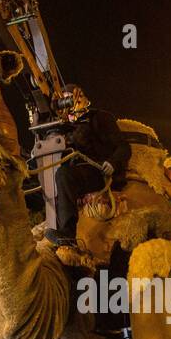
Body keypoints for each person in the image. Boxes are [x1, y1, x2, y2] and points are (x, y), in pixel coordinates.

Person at [44, 86, 131, 248]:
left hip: (99, 172)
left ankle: (68, 233)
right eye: (63, 102)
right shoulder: (65, 127)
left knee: (64, 175)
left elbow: (124, 147)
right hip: (78, 174)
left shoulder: (100, 118)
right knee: (53, 177)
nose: (68, 105)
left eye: (70, 100)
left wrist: (112, 162)